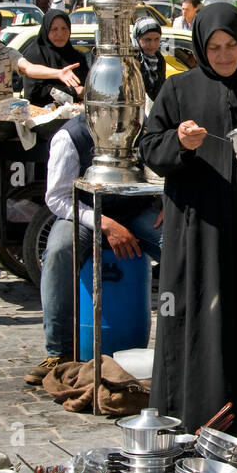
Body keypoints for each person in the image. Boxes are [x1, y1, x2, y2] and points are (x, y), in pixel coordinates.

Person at [140, 3, 237, 442]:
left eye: (232, 45)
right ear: (200, 47)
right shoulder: (176, 91)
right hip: (197, 232)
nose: (224, 54)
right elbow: (149, 151)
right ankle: (191, 426)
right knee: (194, 321)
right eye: (214, 46)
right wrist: (178, 141)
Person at [24, 117, 162, 384]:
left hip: (136, 209)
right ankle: (59, 351)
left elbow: (164, 169)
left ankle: (189, 345)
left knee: (180, 248)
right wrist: (105, 223)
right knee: (58, 252)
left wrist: (169, 200)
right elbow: (57, 198)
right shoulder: (70, 137)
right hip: (83, 212)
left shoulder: (142, 127)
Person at [21, 8, 88, 108]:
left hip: (74, 118)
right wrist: (73, 92)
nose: (60, 34)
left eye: (64, 28)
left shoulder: (77, 57)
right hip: (43, 119)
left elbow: (87, 88)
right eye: (54, 29)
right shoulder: (35, 54)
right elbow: (34, 93)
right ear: (46, 30)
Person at [132, 16, 167, 103]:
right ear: (137, 39)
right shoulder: (131, 61)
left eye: (157, 39)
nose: (153, 45)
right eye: (147, 40)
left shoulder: (159, 60)